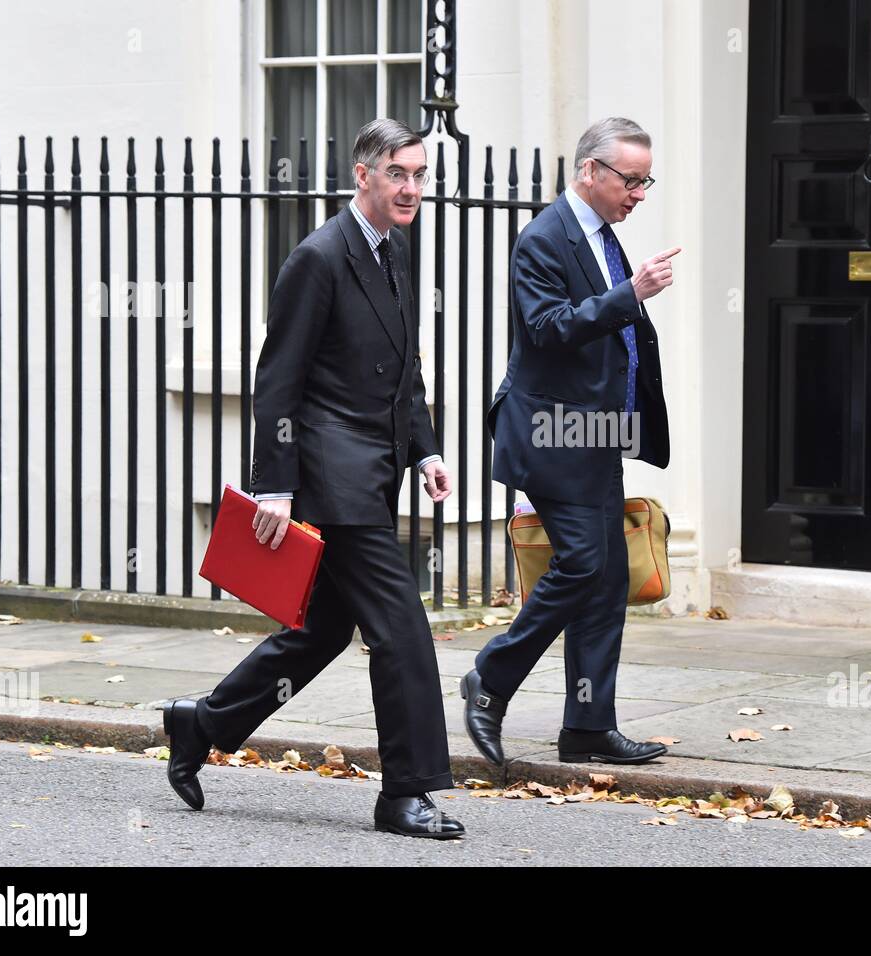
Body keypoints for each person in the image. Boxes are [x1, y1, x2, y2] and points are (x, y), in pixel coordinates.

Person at [161, 118, 463, 839]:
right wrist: (274, 484)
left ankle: (200, 723)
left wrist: (425, 450)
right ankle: (405, 793)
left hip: (377, 467)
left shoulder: (399, 252)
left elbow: (405, 368)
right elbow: (278, 379)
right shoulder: (318, 258)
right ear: (363, 175)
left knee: (323, 627)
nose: (413, 187)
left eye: (420, 175)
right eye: (399, 173)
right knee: (402, 627)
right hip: (333, 474)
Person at [463, 117, 678, 766]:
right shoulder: (543, 239)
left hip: (595, 436)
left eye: (646, 181)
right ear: (589, 171)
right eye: (630, 180)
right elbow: (549, 327)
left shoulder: (602, 238)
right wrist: (630, 294)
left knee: (608, 577)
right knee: (584, 564)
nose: (639, 193)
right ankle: (490, 677)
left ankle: (587, 725)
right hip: (551, 436)